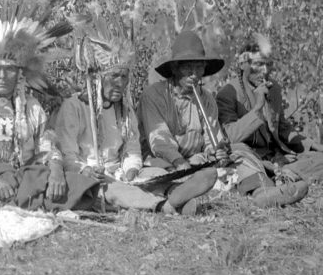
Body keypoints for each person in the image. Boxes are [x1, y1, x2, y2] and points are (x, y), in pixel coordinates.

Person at [0, 2, 99, 210]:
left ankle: (11, 201)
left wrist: (56, 172)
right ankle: (16, 200)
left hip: (26, 177)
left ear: (20, 75)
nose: (2, 76)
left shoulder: (32, 108)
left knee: (65, 181)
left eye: (9, 70)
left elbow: (48, 147)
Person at [52, 30, 217, 215]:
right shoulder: (74, 106)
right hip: (90, 177)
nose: (119, 83)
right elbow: (67, 154)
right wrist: (86, 170)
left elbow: (132, 150)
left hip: (121, 173)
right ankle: (164, 205)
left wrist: (131, 170)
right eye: (114, 76)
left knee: (156, 174)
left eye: (124, 77)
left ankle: (174, 193)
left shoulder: (125, 110)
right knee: (110, 189)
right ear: (99, 77)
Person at [138, 30, 307, 208]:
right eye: (187, 68)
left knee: (239, 152)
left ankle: (262, 192)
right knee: (156, 175)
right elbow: (160, 142)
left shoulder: (206, 98)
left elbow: (212, 139)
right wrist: (181, 164)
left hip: (196, 161)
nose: (194, 74)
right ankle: (182, 200)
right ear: (174, 69)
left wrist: (216, 150)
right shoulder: (154, 95)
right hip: (166, 162)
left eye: (199, 68)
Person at [216, 39, 323, 184]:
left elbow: (283, 128)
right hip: (252, 157)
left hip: (278, 155)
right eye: (258, 64)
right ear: (242, 65)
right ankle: (280, 174)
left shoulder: (273, 88)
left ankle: (286, 173)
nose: (265, 71)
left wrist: (312, 145)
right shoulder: (228, 94)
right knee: (237, 153)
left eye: (268, 64)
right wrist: (258, 108)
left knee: (319, 157)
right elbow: (230, 137)